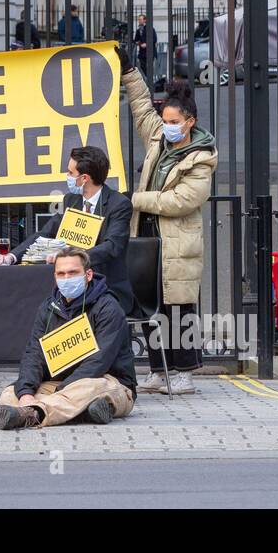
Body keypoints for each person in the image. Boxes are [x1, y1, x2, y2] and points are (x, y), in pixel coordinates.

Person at [121, 54, 217, 396]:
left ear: (189, 122)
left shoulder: (202, 158)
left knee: (178, 307)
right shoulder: (158, 140)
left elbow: (181, 201)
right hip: (147, 237)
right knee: (150, 305)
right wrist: (130, 72)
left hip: (176, 242)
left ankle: (183, 372)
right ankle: (160, 370)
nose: (166, 125)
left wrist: (135, 199)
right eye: (165, 120)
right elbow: (141, 109)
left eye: (173, 120)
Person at [0, 145, 134, 315]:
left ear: (84, 178)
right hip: (69, 286)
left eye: (70, 173)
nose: (67, 177)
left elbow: (112, 246)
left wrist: (74, 258)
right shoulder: (71, 200)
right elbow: (45, 233)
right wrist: (10, 257)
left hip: (105, 287)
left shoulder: (118, 204)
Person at [0, 248, 136, 429]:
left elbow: (99, 361)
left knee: (88, 390)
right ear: (54, 277)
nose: (67, 278)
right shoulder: (48, 307)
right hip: (59, 383)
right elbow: (34, 353)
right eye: (61, 273)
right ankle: (80, 411)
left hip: (107, 381)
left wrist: (62, 391)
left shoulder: (108, 307)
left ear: (88, 275)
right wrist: (26, 393)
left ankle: (35, 414)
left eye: (73, 272)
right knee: (10, 394)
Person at [133, 14, 157, 80]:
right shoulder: (138, 30)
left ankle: (150, 79)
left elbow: (154, 39)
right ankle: (148, 78)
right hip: (142, 52)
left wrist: (147, 44)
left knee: (150, 66)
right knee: (142, 66)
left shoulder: (150, 28)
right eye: (138, 19)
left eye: (140, 19)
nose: (139, 21)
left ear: (144, 20)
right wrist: (140, 44)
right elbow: (136, 40)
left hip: (150, 51)